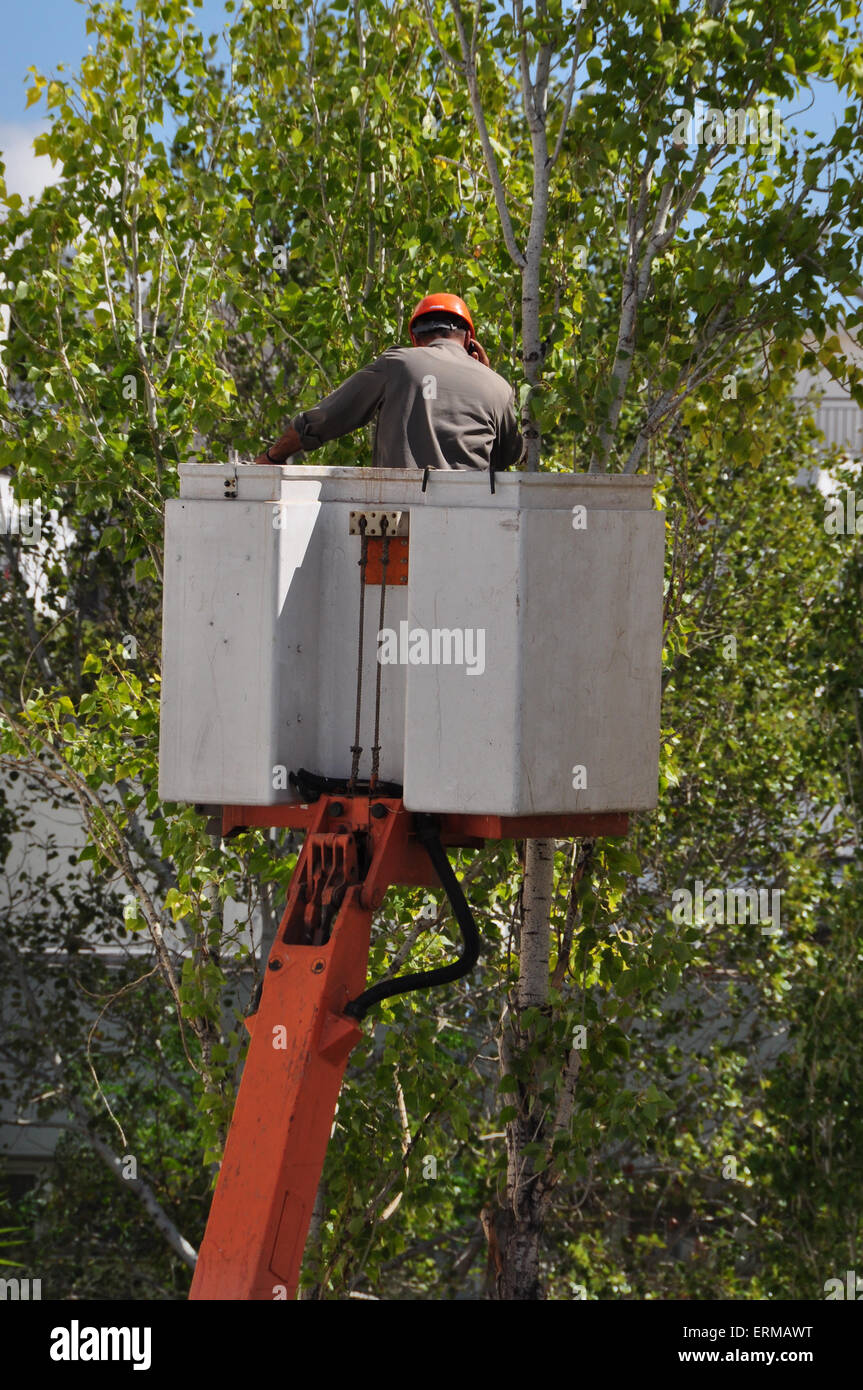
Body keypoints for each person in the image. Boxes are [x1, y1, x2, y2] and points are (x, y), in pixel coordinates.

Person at [254, 293, 524, 473]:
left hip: (397, 527)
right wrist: (485, 375)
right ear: (468, 340)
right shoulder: (498, 386)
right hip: (472, 526)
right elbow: (506, 456)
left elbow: (326, 418)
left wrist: (273, 456)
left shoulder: (400, 364)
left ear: (416, 339)